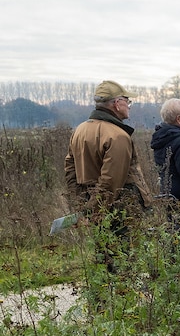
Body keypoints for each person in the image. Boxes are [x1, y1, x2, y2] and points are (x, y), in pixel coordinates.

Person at [65, 81, 153, 272]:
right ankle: (122, 297)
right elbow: (111, 181)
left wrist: (82, 204)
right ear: (116, 103)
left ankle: (105, 297)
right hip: (120, 205)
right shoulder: (117, 135)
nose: (129, 106)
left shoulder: (79, 130)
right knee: (123, 257)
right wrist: (97, 208)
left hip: (94, 202)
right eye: (127, 101)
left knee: (103, 255)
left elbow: (70, 170)